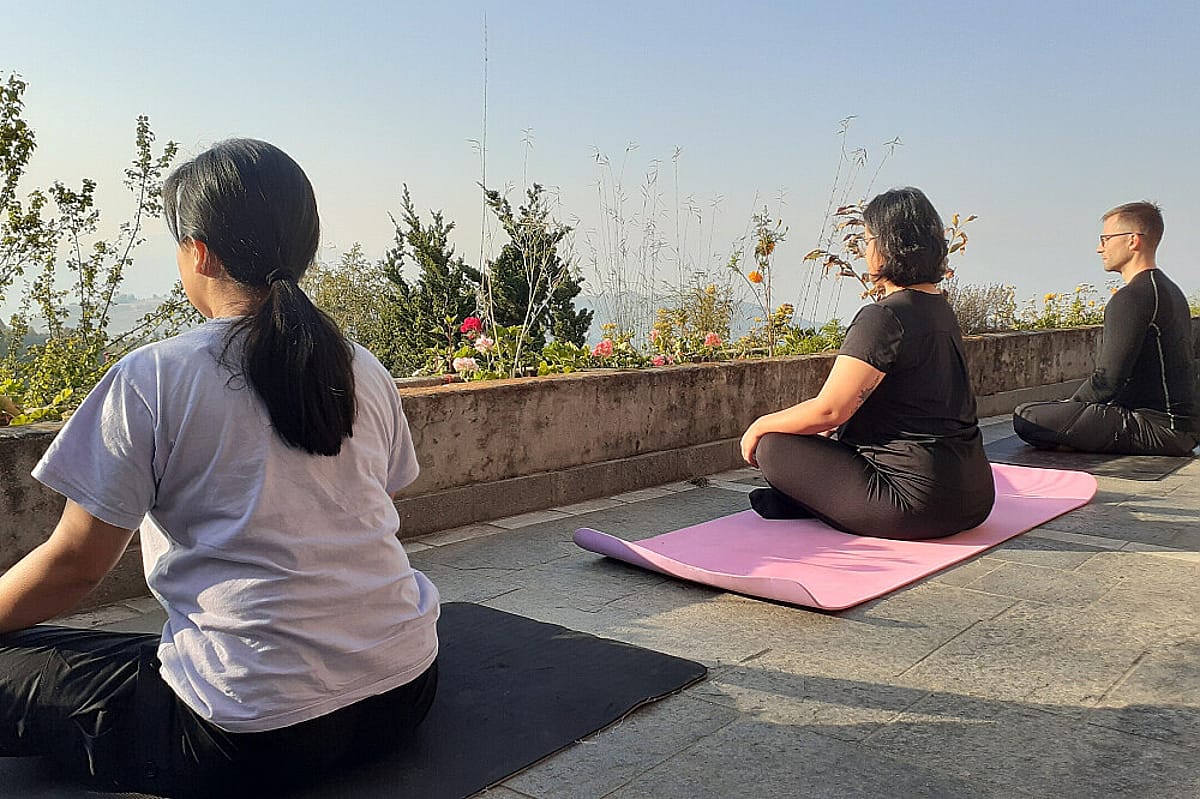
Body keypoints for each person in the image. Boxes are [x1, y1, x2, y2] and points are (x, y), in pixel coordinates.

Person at [0, 139, 440, 797]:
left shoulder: (154, 376)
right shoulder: (363, 368)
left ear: (199, 253)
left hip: (249, 736)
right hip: (404, 692)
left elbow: (75, 566)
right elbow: (383, 497)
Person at [740, 187, 995, 540]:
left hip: (914, 505)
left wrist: (759, 425)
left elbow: (830, 410)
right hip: (975, 498)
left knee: (773, 446)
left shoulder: (884, 317)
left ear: (889, 245)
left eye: (868, 239)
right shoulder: (940, 309)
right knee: (819, 443)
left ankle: (818, 504)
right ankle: (814, 502)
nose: (865, 250)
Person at [1013, 202, 1198, 456]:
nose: (1100, 248)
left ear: (1132, 240)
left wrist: (1070, 411)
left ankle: (1070, 438)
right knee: (1050, 413)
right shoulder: (1171, 291)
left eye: (1106, 239)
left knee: (1027, 416)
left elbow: (1107, 381)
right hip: (1184, 430)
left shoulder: (1132, 298)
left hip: (1159, 430)